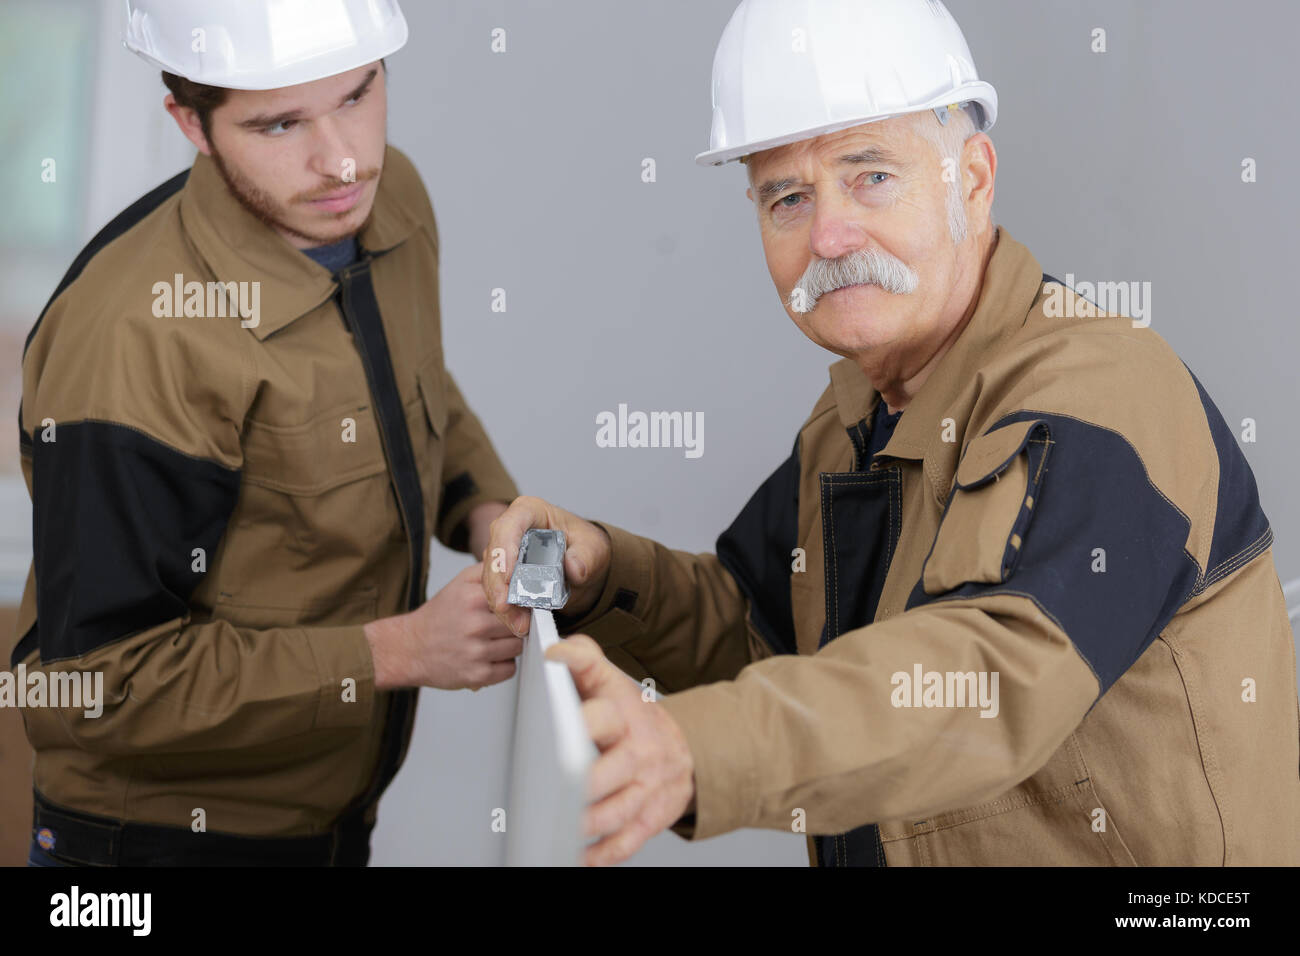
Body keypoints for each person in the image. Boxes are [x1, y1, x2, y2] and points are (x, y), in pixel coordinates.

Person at [482, 0, 1300, 866]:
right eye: (788, 198)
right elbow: (761, 629)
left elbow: (988, 671)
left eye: (871, 175)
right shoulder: (854, 425)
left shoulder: (1104, 394)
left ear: (973, 179)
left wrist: (699, 749)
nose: (830, 235)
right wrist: (603, 575)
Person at [15, 0, 521, 866]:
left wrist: (488, 513)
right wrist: (399, 651)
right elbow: (86, 689)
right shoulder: (134, 337)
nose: (343, 160)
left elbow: (410, 381)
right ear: (191, 123)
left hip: (331, 827)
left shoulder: (386, 198)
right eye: (279, 123)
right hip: (151, 851)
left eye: (358, 95)